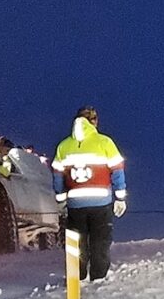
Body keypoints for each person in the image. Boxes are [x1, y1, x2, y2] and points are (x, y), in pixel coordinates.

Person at [51, 107, 127, 281]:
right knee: (100, 241)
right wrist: (120, 197)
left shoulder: (63, 146)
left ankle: (76, 277)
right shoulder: (105, 142)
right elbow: (117, 171)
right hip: (101, 203)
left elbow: (57, 175)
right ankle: (98, 277)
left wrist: (61, 198)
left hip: (75, 204)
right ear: (94, 121)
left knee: (77, 241)